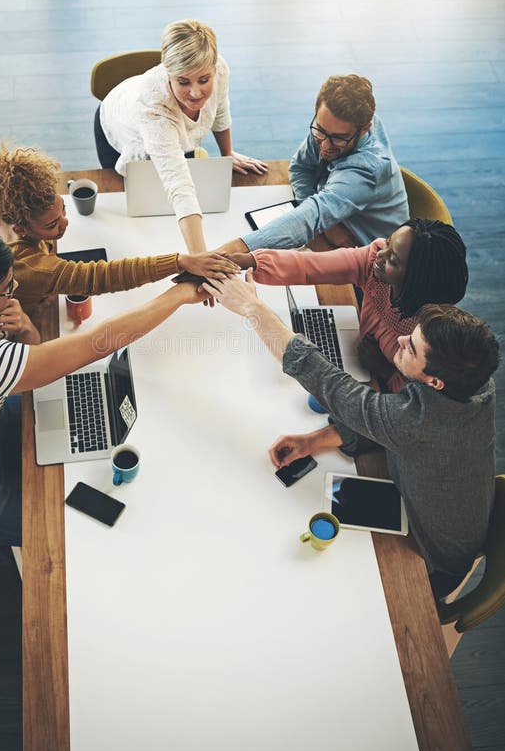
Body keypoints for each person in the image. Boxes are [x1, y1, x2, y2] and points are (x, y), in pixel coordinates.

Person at [0, 226, 206, 547]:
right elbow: (98, 343)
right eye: (7, 289)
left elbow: (32, 350)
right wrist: (179, 295)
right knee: (66, 536)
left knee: (75, 405)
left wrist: (25, 329)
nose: (15, 289)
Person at [203, 272, 498, 600]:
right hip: (441, 500)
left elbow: (327, 381)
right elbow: (407, 433)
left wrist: (252, 307)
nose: (401, 341)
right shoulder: (477, 384)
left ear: (435, 382)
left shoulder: (417, 421)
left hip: (432, 556)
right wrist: (314, 441)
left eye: (411, 348)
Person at [0, 143, 239, 321]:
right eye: (52, 225)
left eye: (63, 211)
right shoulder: (32, 269)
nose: (65, 224)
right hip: (37, 319)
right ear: (20, 228)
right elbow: (102, 277)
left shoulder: (1, 213)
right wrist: (180, 261)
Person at [230, 218, 468, 392]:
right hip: (360, 352)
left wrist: (384, 371)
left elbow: (416, 402)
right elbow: (307, 265)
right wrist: (244, 262)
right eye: (387, 243)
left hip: (379, 392)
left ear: (418, 280)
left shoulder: (427, 334)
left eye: (393, 259)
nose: (379, 255)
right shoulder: (374, 261)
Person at [95, 19, 268, 254]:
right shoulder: (153, 107)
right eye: (183, 82)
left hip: (165, 126)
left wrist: (227, 153)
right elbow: (179, 184)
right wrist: (200, 260)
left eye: (204, 80)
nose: (196, 92)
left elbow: (220, 109)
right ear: (168, 72)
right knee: (135, 202)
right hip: (120, 127)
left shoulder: (220, 69)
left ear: (214, 68)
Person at [220, 74, 408, 254]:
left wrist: (233, 249)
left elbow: (308, 219)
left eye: (338, 138)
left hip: (372, 255)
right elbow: (300, 167)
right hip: (338, 227)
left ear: (364, 128)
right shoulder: (335, 127)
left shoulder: (367, 170)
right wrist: (327, 225)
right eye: (320, 130)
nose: (325, 146)